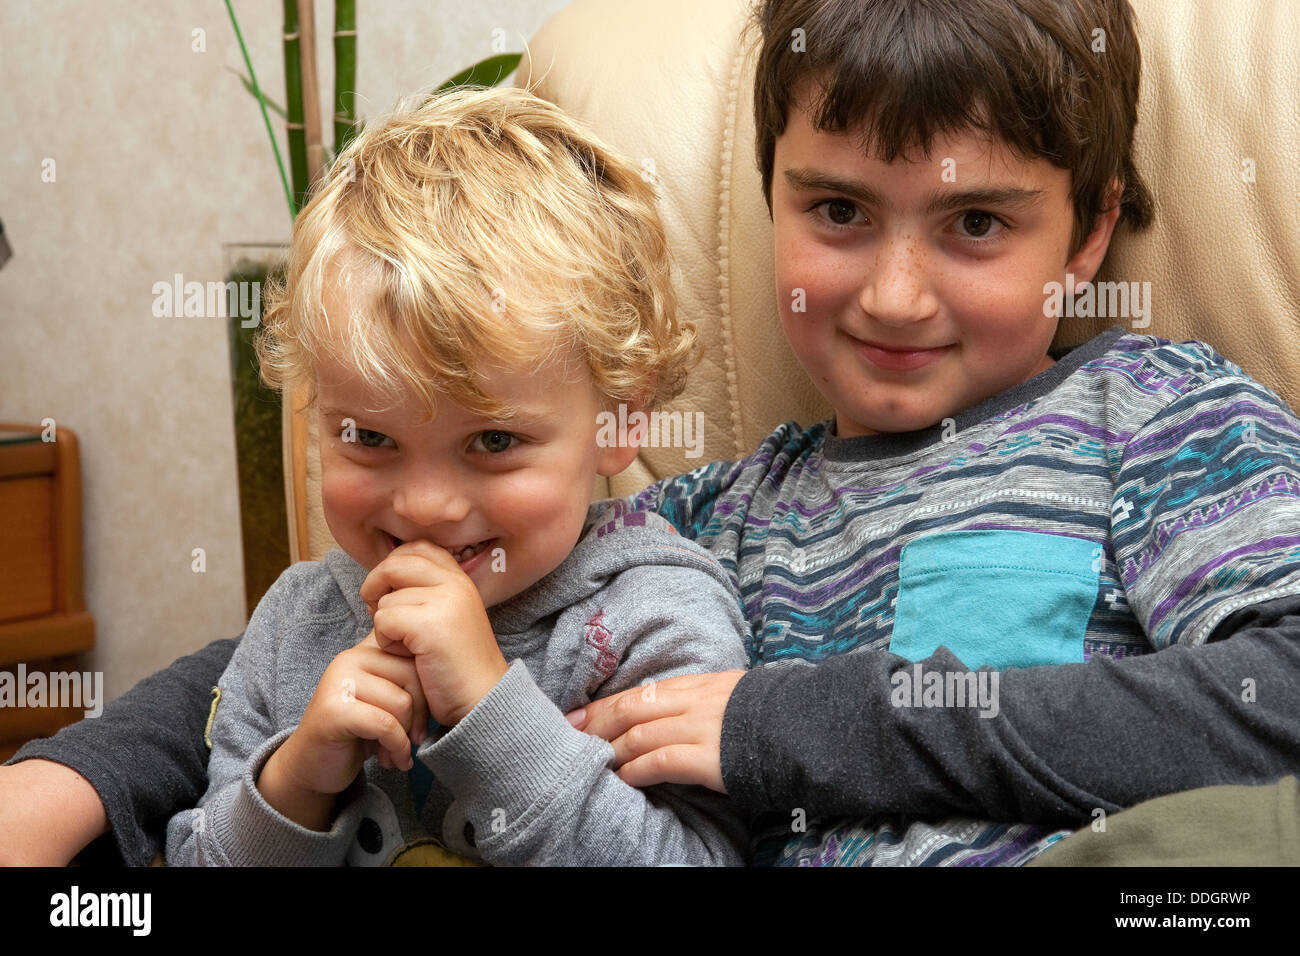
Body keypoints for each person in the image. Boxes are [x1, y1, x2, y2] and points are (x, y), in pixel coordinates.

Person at [5, 0, 1299, 867]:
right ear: (772, 199)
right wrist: (75, 780)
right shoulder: (705, 519)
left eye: (976, 226)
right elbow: (364, 608)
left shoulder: (1155, 418)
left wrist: (795, 727)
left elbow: (1280, 699)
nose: (895, 294)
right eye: (840, 212)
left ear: (1087, 235)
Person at [159, 84, 749, 866]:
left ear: (621, 420)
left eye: (494, 440)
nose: (426, 506)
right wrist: (296, 782)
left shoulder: (657, 618)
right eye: (369, 437)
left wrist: (490, 712)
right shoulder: (297, 623)